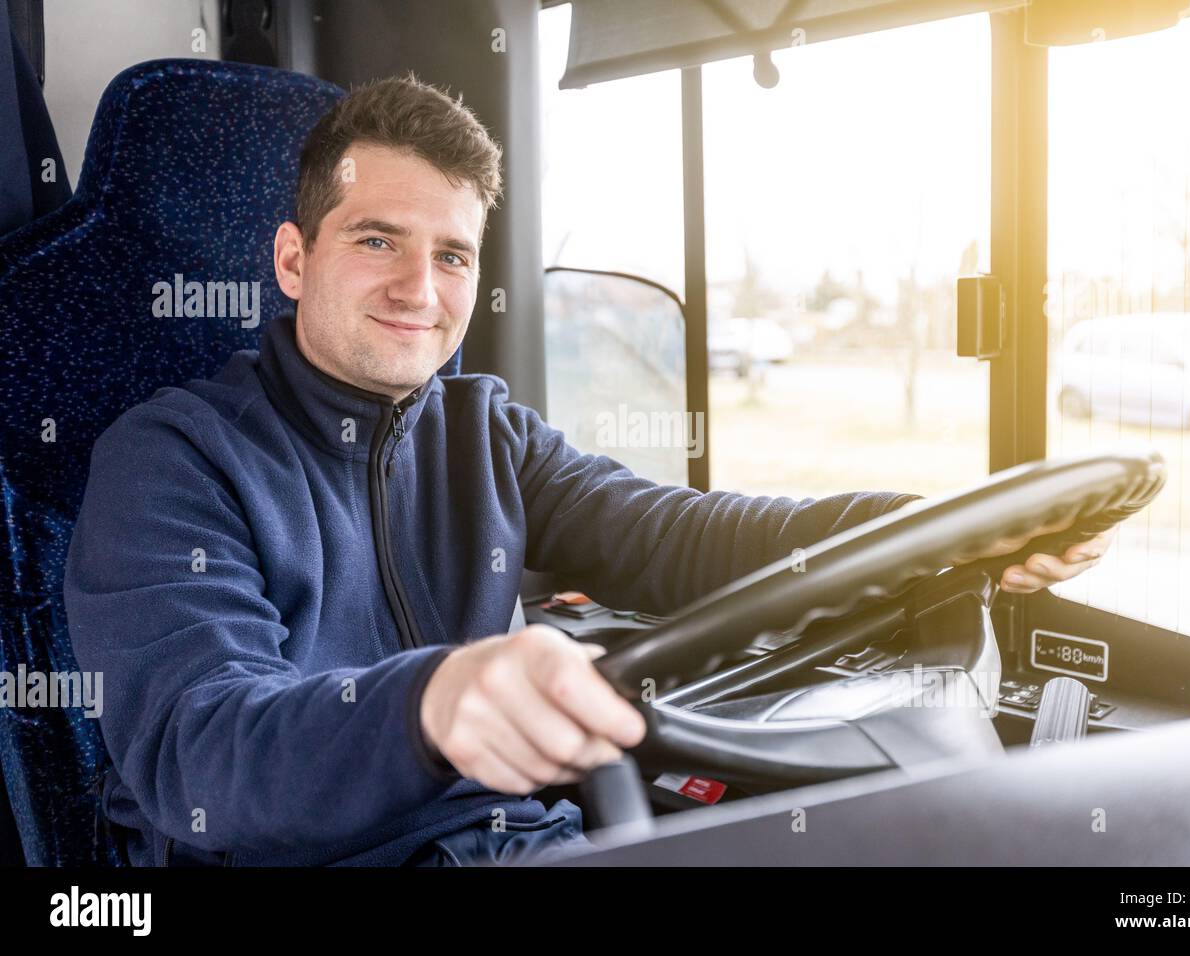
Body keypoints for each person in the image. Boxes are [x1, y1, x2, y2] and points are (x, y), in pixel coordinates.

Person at [63, 74, 1112, 868]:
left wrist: (932, 523)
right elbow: (203, 746)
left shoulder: (489, 432)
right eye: (376, 240)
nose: (419, 288)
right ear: (294, 260)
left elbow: (683, 537)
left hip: (535, 837)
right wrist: (434, 699)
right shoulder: (172, 456)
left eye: (453, 253)